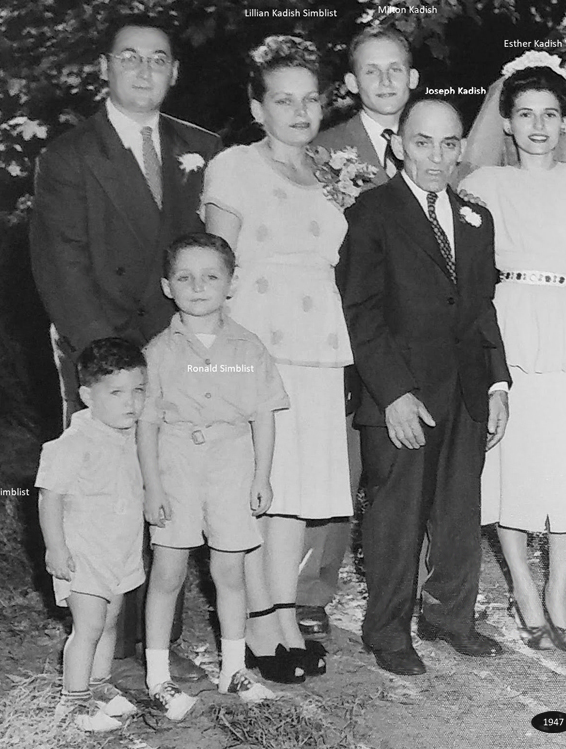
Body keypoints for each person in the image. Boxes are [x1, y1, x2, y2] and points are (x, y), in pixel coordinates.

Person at [30, 13, 218, 681]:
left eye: (159, 58)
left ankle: (160, 639)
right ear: (104, 68)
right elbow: (61, 264)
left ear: (175, 70)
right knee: (105, 493)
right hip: (103, 352)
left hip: (177, 346)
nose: (145, 70)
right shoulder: (69, 155)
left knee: (170, 487)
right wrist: (107, 361)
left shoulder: (203, 146)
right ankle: (108, 642)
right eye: (130, 57)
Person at [340, 99, 510, 676]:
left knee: (460, 512)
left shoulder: (475, 217)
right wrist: (392, 394)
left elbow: (483, 307)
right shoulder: (371, 213)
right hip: (402, 395)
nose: (436, 157)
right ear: (398, 145)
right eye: (422, 143)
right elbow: (360, 311)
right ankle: (387, 631)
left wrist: (498, 385)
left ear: (462, 146)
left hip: (464, 391)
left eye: (449, 144)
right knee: (398, 516)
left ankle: (449, 619)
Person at [205, 35, 355, 678]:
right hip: (257, 346)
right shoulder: (234, 166)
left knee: (296, 492)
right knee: (258, 488)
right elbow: (212, 266)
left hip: (318, 347)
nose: (299, 112)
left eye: (310, 99)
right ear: (257, 106)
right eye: (283, 100)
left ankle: (287, 612)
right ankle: (257, 624)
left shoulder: (330, 172)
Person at [460, 53, 566, 652]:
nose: (539, 126)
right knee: (513, 465)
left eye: (551, 113)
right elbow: (469, 278)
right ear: (507, 121)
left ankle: (559, 592)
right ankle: (523, 585)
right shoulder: (481, 185)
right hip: (513, 324)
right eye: (525, 114)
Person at [295, 26, 417, 640]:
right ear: (349, 84)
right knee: (337, 464)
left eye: (396, 68)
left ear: (413, 76)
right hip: (343, 327)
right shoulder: (322, 151)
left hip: (416, 335)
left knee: (409, 464)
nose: (386, 81)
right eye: (371, 71)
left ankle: (409, 584)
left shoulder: (438, 142)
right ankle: (312, 587)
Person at [138, 233, 289, 718]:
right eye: (184, 277)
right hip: (176, 465)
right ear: (167, 286)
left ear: (231, 284)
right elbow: (146, 423)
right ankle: (157, 676)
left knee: (230, 571)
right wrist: (153, 485)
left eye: (210, 276)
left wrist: (262, 476)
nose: (197, 286)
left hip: (231, 464)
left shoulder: (248, 346)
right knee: (168, 572)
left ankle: (233, 668)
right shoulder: (157, 351)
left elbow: (264, 415)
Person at [39, 338, 147, 732]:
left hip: (119, 550)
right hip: (84, 552)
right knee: (87, 627)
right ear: (87, 396)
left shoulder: (131, 437)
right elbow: (50, 496)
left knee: (110, 622)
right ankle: (73, 701)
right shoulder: (74, 443)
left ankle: (99, 685)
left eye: (138, 390)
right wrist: (56, 547)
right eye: (116, 392)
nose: (130, 402)